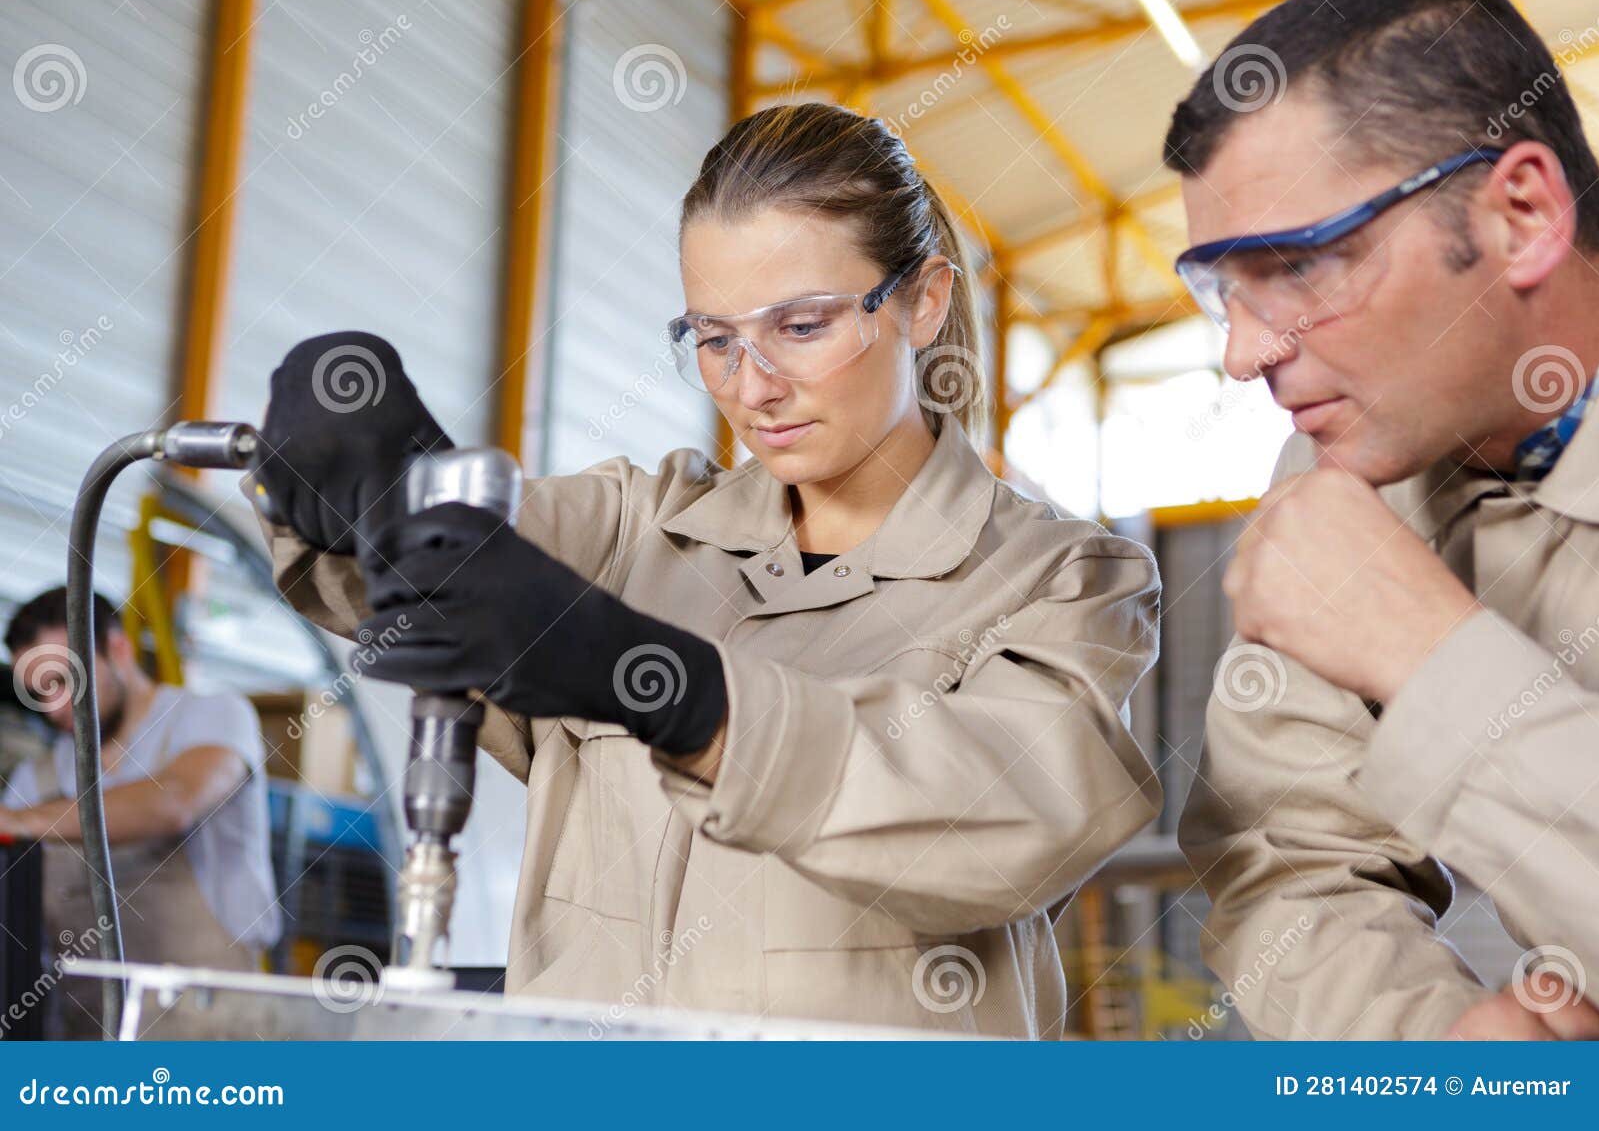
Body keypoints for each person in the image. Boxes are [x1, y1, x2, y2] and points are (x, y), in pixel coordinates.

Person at [254, 102, 1162, 1038]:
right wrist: (360, 474)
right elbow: (417, 568)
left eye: (801, 326)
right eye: (714, 340)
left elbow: (1013, 823)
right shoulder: (636, 529)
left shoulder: (1061, 577)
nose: (752, 388)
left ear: (923, 300)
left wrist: (686, 700)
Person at [1166, 0, 1599, 1039]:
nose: (1241, 353)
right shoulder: (1337, 481)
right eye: (1223, 287)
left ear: (1523, 214)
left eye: (1303, 263)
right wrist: (1433, 1054)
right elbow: (1292, 861)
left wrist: (1426, 656)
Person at [1, 587, 281, 1038]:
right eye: (38, 693)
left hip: (217, 1040)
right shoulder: (37, 779)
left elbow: (174, 802)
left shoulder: (211, 716)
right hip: (93, 1046)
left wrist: (17, 821)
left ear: (118, 648)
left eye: (62, 683)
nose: (53, 709)